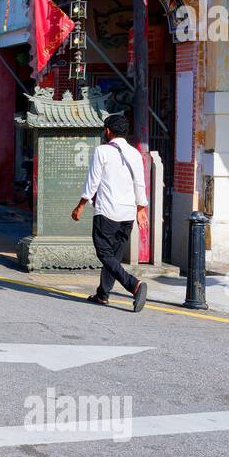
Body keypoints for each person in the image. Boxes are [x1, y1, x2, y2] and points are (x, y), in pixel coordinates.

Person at [71, 113, 149, 313]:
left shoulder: (102, 151)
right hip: (128, 214)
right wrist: (141, 208)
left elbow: (93, 181)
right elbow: (140, 183)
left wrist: (81, 204)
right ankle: (102, 294)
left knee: (104, 252)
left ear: (108, 130)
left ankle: (133, 284)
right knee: (113, 255)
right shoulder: (135, 154)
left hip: (107, 212)